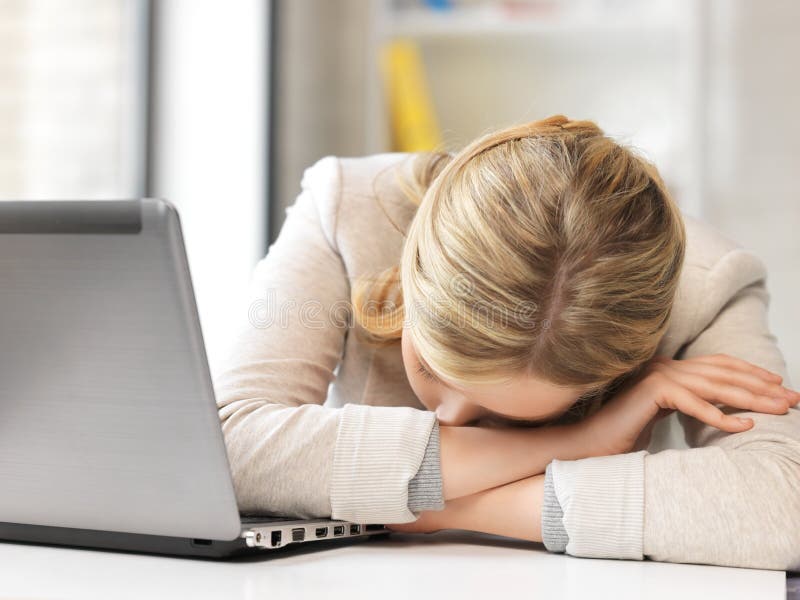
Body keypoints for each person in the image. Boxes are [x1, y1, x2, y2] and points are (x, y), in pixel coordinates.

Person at [214, 115, 800, 571]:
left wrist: (439, 508)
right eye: (436, 368)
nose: (448, 419)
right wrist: (576, 439)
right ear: (413, 265)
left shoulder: (707, 284)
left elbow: (785, 506)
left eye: (504, 414)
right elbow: (224, 446)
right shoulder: (349, 206)